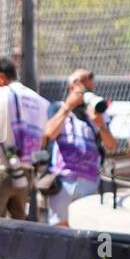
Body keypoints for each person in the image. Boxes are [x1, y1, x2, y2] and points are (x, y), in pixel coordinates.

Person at [0, 56, 48, 219]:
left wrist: (5, 146)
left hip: (0, 169)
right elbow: (44, 138)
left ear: (1, 77)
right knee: (18, 228)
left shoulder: (0, 94)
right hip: (26, 174)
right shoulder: (40, 101)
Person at [40, 68, 110, 227]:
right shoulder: (58, 107)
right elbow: (48, 133)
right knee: (61, 229)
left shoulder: (96, 114)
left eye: (89, 87)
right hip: (63, 180)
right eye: (82, 85)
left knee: (86, 229)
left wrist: (100, 124)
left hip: (90, 181)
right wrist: (67, 107)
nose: (86, 90)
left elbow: (112, 145)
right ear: (71, 88)